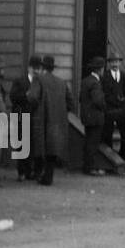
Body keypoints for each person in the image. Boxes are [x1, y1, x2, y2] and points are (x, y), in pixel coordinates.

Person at [29, 55, 75, 185]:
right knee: (52, 149)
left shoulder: (38, 79)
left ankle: (39, 174)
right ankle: (48, 177)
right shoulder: (62, 82)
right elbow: (71, 103)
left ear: (42, 67)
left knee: (40, 147)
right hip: (58, 122)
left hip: (42, 120)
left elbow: (32, 97)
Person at [8, 55, 42, 181]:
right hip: (21, 117)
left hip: (34, 117)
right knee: (21, 146)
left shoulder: (39, 82)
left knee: (32, 146)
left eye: (38, 68)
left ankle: (29, 172)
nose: (37, 70)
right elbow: (13, 97)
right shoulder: (19, 81)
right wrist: (26, 95)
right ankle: (21, 172)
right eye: (35, 68)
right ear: (29, 68)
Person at [80, 57, 107, 176]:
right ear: (100, 69)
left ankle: (87, 166)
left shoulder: (85, 81)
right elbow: (98, 101)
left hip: (87, 117)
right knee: (93, 143)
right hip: (96, 118)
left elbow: (81, 98)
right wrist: (105, 107)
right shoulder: (96, 83)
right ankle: (91, 168)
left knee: (88, 142)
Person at [101, 54, 125, 163]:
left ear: (120, 63)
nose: (115, 64)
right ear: (109, 63)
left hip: (122, 110)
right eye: (112, 62)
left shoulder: (124, 76)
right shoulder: (105, 76)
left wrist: (124, 100)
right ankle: (109, 158)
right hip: (109, 109)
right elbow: (104, 93)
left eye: (117, 62)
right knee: (108, 133)